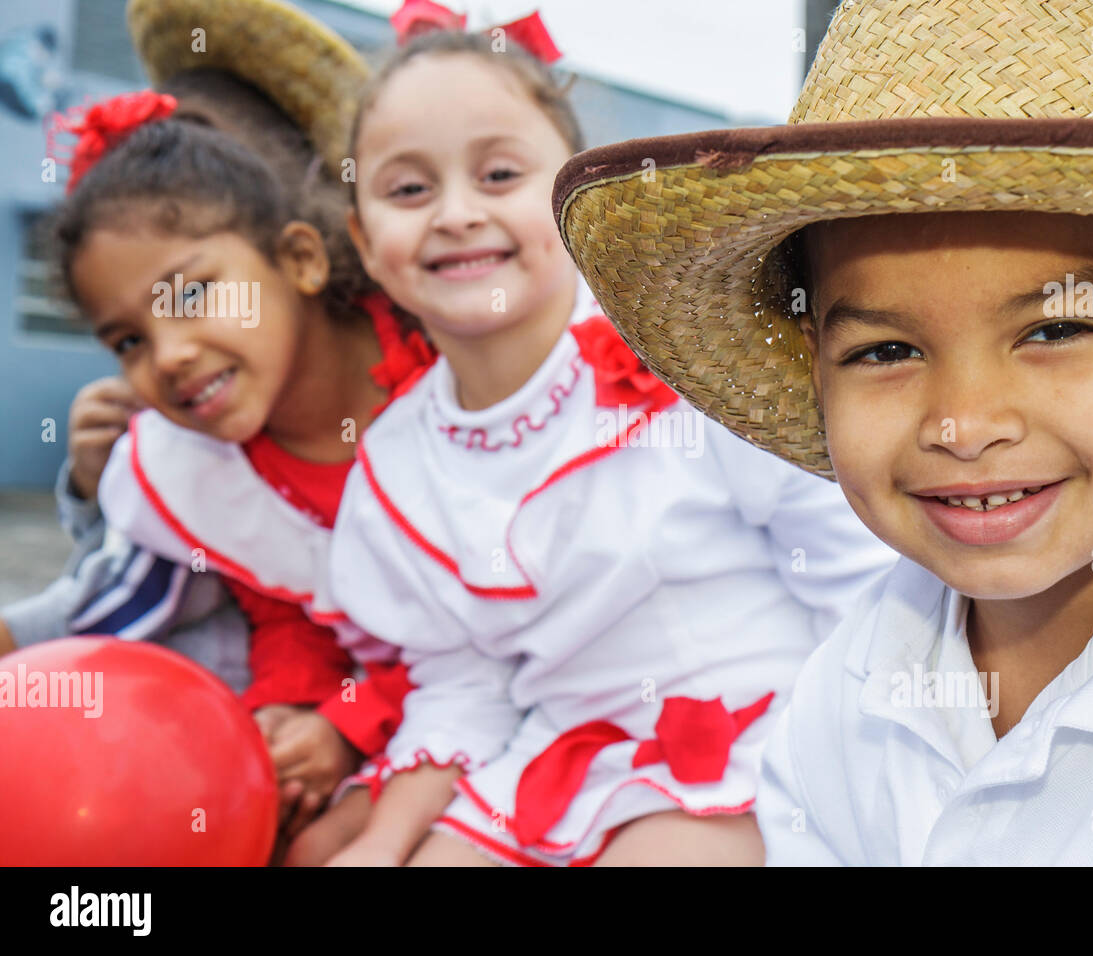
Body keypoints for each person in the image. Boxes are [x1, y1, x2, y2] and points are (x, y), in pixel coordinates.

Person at [553, 0, 1093, 864]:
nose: (964, 424)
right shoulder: (843, 698)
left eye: (1055, 331)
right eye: (886, 350)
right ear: (815, 367)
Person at [322, 4, 897, 867]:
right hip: (559, 759)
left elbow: (856, 579)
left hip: (750, 739)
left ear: (569, 196)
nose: (454, 213)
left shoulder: (685, 367)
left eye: (499, 173)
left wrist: (872, 768)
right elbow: (466, 684)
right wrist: (383, 843)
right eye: (409, 189)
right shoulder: (398, 463)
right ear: (366, 240)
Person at [49, 83, 427, 861]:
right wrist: (289, 716)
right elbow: (291, 615)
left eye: (190, 293)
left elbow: (492, 629)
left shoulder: (447, 377)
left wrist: (349, 722)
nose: (170, 355)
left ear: (300, 258)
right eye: (127, 341)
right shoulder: (220, 473)